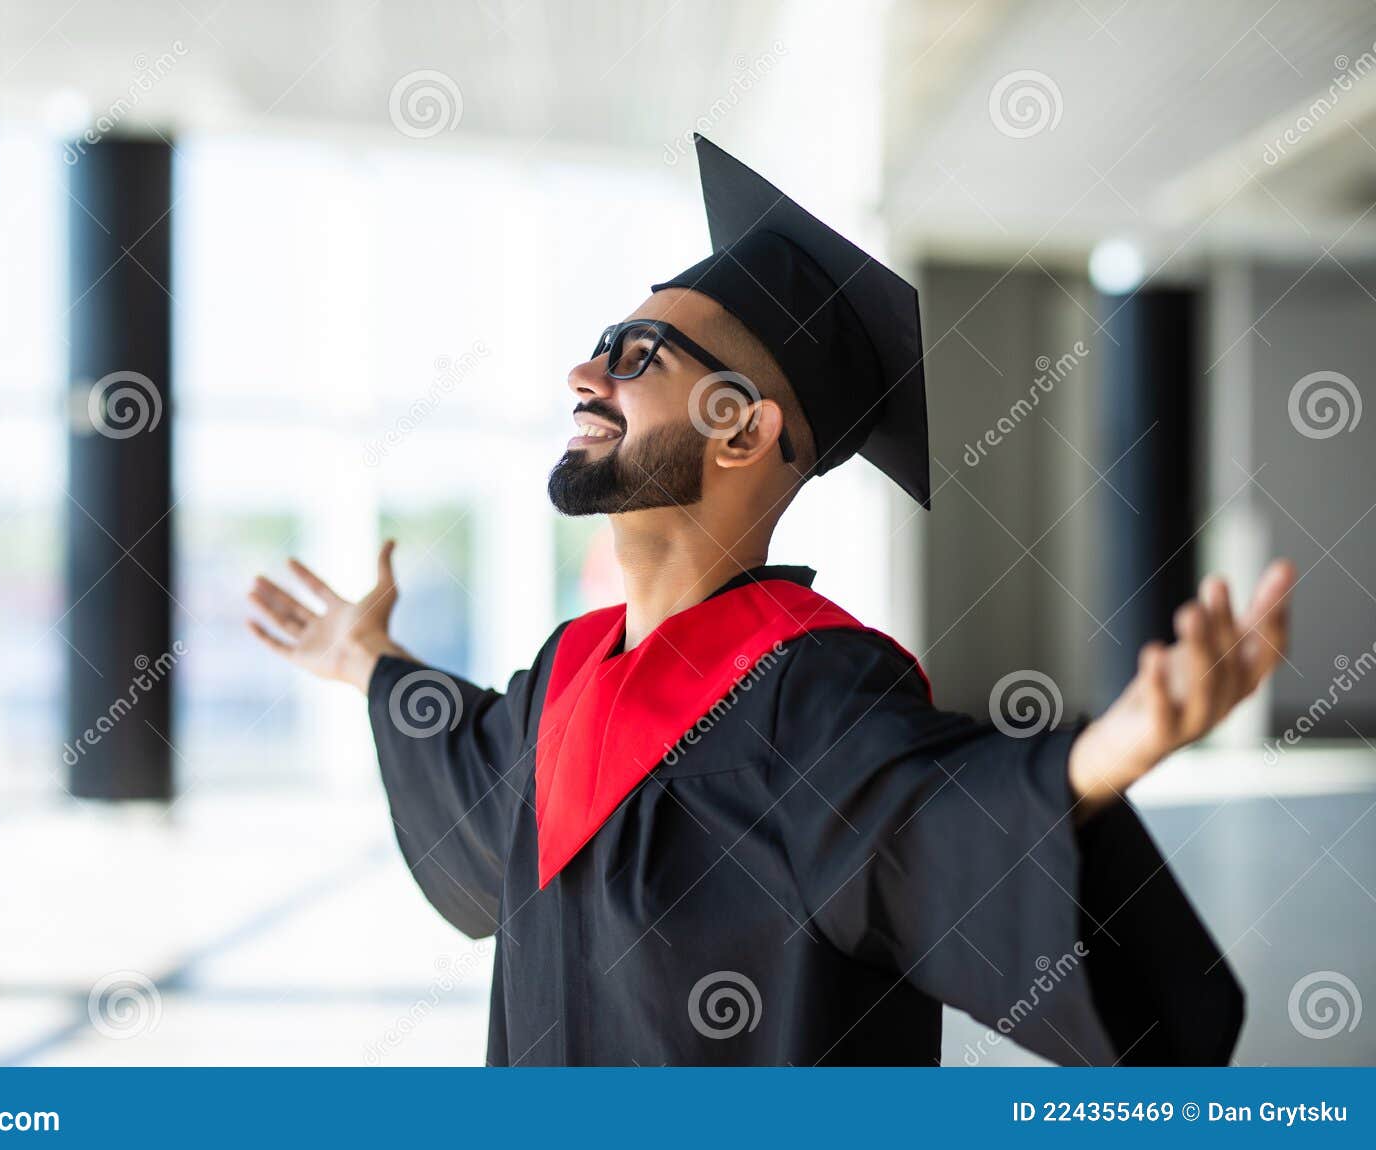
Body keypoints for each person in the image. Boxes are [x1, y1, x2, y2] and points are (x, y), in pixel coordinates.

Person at [248, 136, 1294, 1066]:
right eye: (601, 344)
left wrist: (1098, 756)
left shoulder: (815, 689)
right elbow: (476, 783)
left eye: (633, 357)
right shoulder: (566, 670)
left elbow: (928, 819)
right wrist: (368, 661)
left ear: (741, 430)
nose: (582, 371)